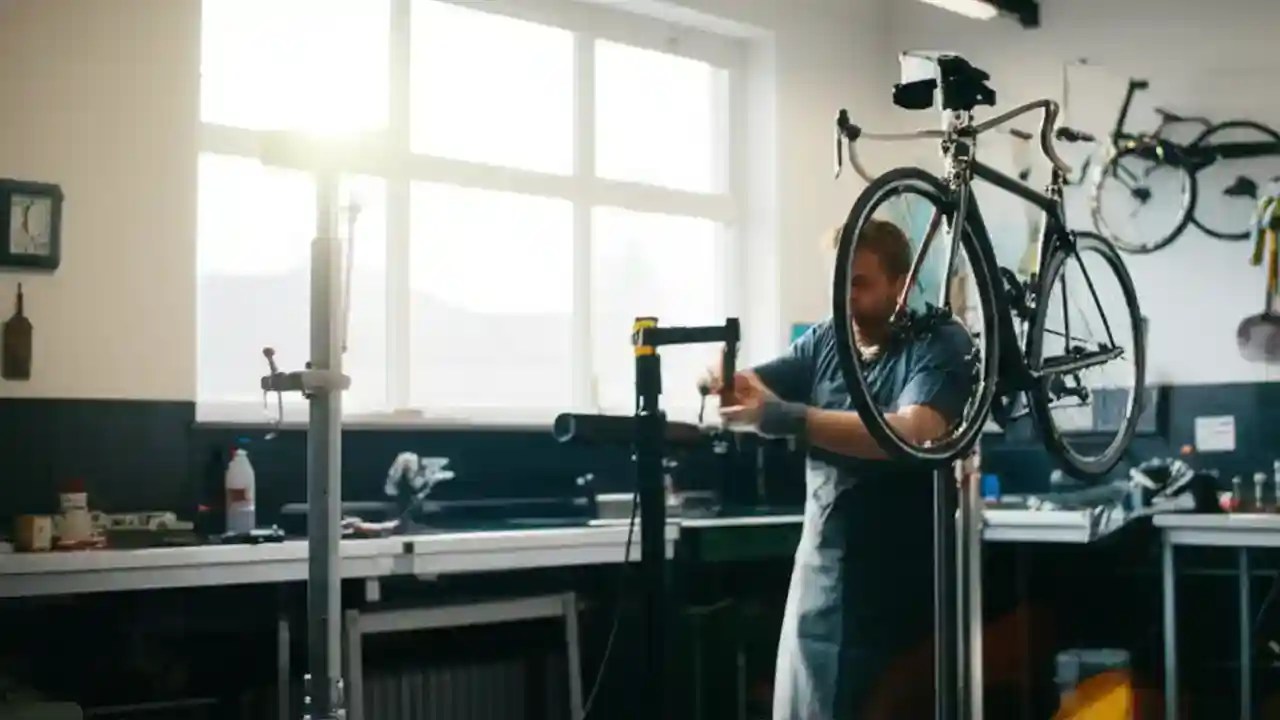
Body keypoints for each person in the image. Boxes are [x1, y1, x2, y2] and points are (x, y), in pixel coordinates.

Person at [705, 219, 977, 719]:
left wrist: (788, 418)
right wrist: (727, 381)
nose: (845, 299)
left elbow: (911, 431)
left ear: (901, 284)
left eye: (859, 284)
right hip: (822, 576)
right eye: (837, 283)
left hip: (900, 583)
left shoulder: (940, 342)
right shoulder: (829, 339)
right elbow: (758, 384)